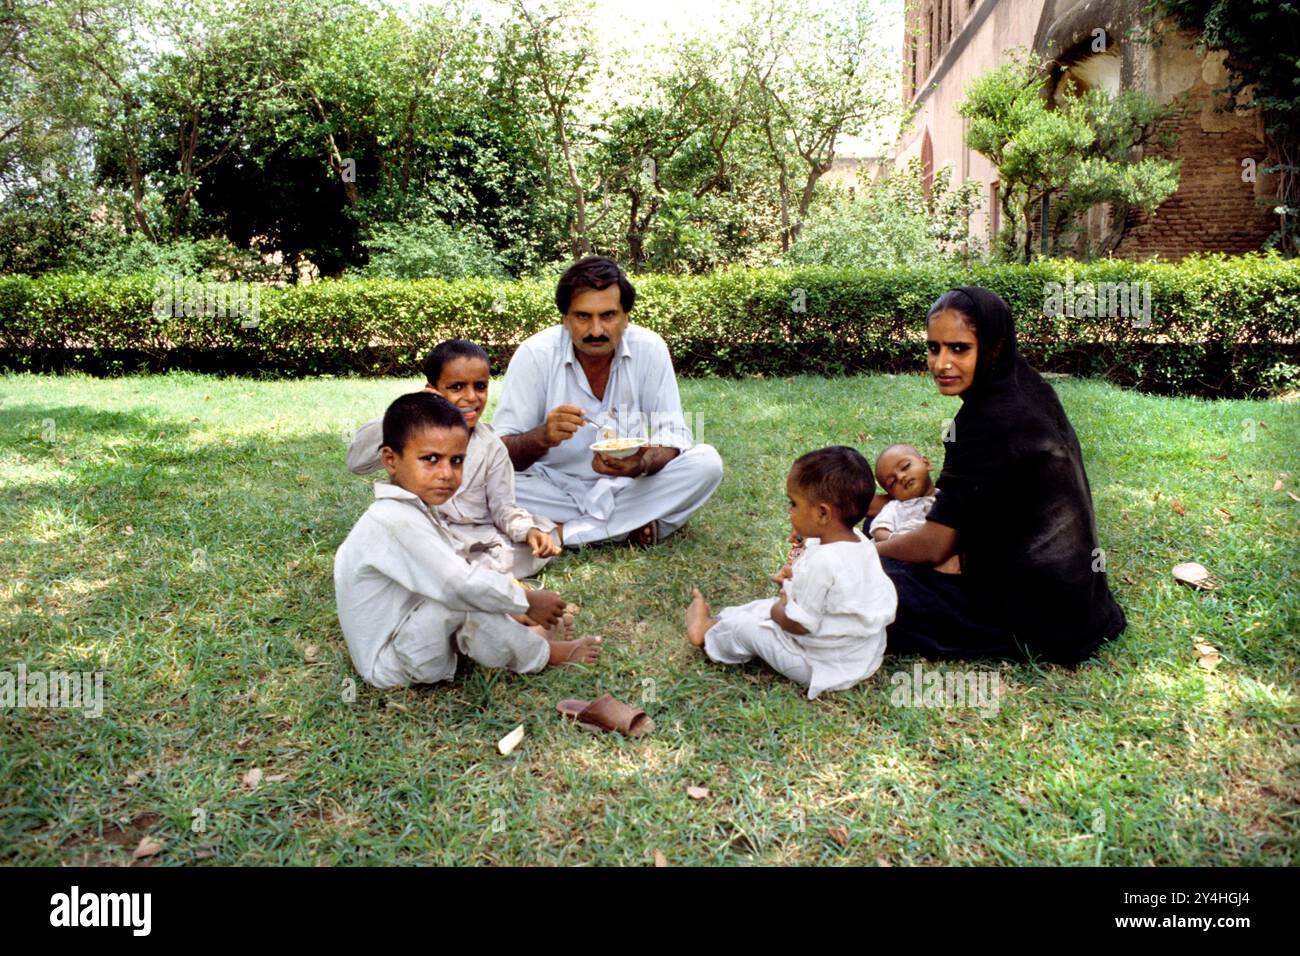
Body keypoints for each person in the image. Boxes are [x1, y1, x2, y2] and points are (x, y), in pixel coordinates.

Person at [875, 286, 1126, 667]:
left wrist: (865, 551)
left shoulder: (986, 420)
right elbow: (975, 496)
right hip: (1077, 598)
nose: (942, 363)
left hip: (1033, 613)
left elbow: (934, 546)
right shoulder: (1026, 384)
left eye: (959, 348)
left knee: (866, 579)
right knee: (878, 529)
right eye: (933, 347)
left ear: (992, 346)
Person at [334, 392, 600, 690]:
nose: (447, 473)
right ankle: (544, 653)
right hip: (390, 664)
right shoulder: (392, 520)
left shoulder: (408, 510)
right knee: (463, 598)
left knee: (471, 584)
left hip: (410, 631)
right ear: (390, 460)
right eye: (430, 459)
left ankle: (519, 634)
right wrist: (525, 602)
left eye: (457, 460)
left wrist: (509, 607)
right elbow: (456, 586)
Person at [491, 256, 723, 548]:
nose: (597, 330)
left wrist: (640, 463)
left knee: (706, 463)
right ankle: (630, 527)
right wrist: (542, 437)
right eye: (583, 316)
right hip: (550, 487)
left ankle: (563, 533)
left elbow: (674, 434)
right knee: (483, 481)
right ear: (565, 319)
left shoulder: (649, 348)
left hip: (629, 486)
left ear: (626, 316)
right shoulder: (535, 354)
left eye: (608, 316)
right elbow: (500, 453)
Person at [686, 447, 897, 700]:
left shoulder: (824, 562)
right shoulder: (861, 543)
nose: (790, 512)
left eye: (793, 504)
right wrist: (793, 577)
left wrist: (779, 610)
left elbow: (799, 625)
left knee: (752, 627)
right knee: (762, 607)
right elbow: (835, 590)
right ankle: (720, 622)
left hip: (820, 665)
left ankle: (707, 634)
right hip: (861, 655)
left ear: (822, 513)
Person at [346, 340, 561, 578]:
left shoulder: (492, 446)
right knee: (401, 542)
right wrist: (405, 411)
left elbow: (504, 508)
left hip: (474, 540)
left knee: (542, 536)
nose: (471, 397)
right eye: (457, 387)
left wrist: (528, 532)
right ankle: (465, 576)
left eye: (480, 386)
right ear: (432, 390)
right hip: (421, 533)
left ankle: (461, 574)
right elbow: (357, 462)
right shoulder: (412, 434)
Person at [869, 443, 937, 542]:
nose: (900, 477)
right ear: (892, 495)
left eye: (905, 467)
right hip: (899, 550)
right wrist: (895, 540)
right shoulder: (895, 507)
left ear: (926, 463)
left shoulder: (947, 496)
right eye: (892, 482)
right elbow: (879, 530)